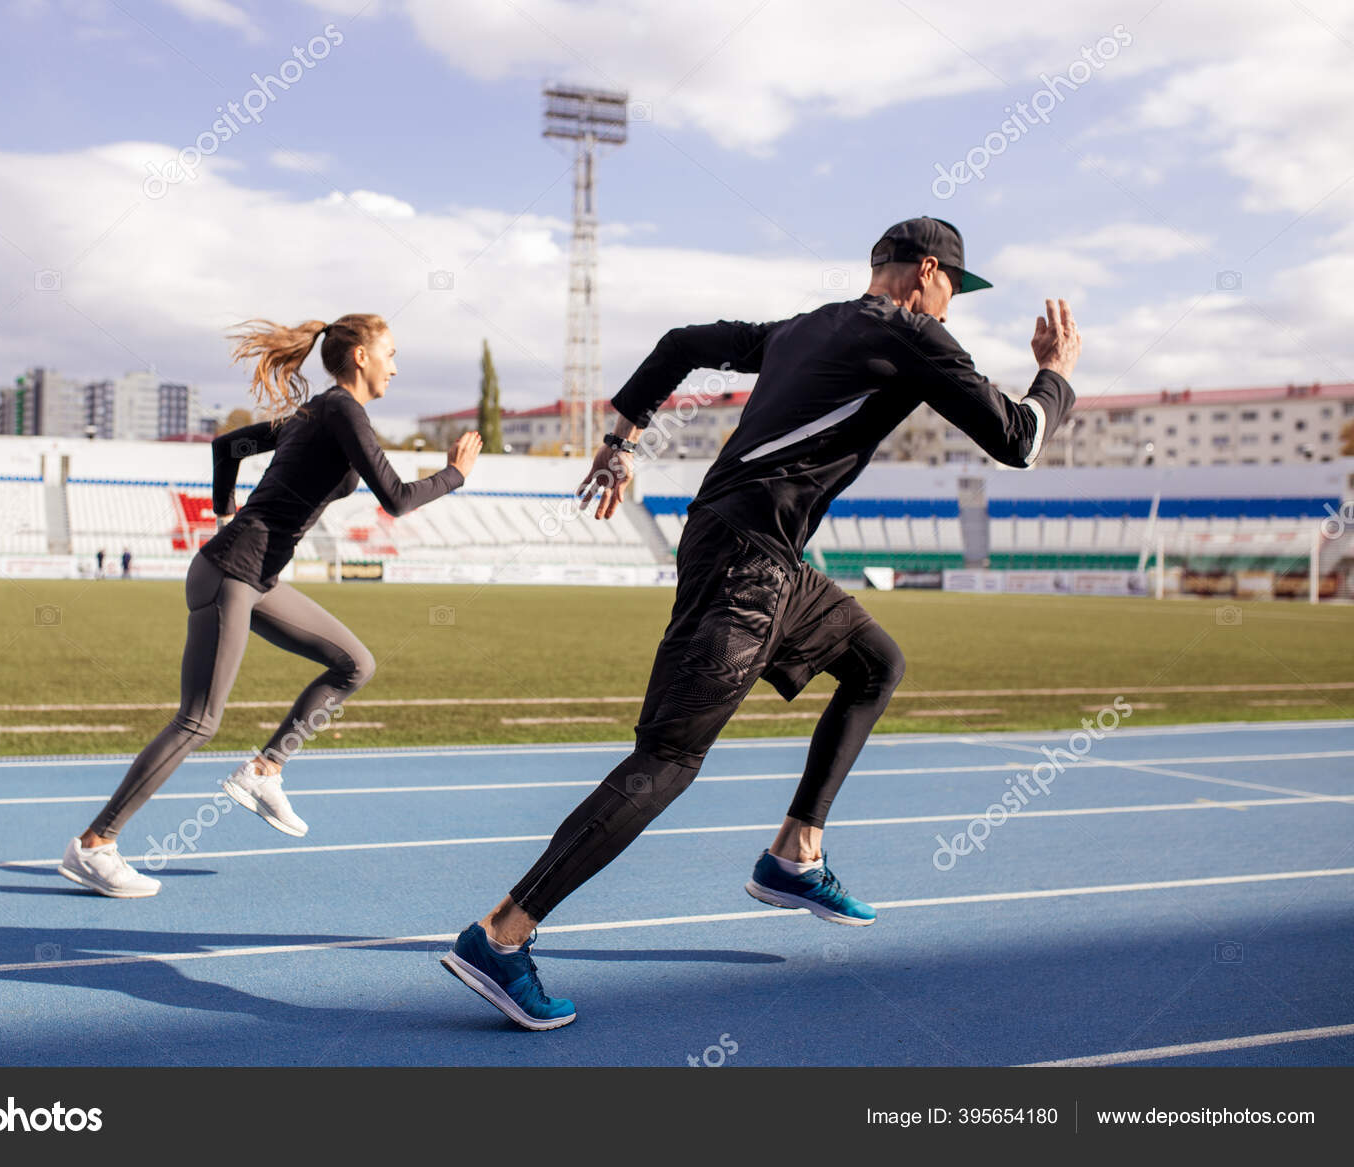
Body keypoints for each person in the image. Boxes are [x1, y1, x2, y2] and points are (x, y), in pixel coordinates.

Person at [440, 217, 1080, 1029]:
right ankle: (503, 931)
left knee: (876, 661)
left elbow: (681, 341)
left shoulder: (807, 327)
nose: (954, 303)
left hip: (756, 553)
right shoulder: (916, 335)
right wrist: (1053, 374)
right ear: (925, 272)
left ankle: (794, 852)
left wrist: (620, 438)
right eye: (955, 284)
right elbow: (1019, 440)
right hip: (748, 563)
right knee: (668, 757)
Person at [59, 314, 483, 897]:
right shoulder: (339, 410)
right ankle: (94, 844)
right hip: (231, 573)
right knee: (198, 719)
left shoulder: (317, 414)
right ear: (359, 356)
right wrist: (456, 473)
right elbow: (398, 498)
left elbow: (228, 446)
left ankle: (264, 770)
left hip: (255, 576)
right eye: (390, 352)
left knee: (354, 664)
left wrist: (223, 506)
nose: (395, 365)